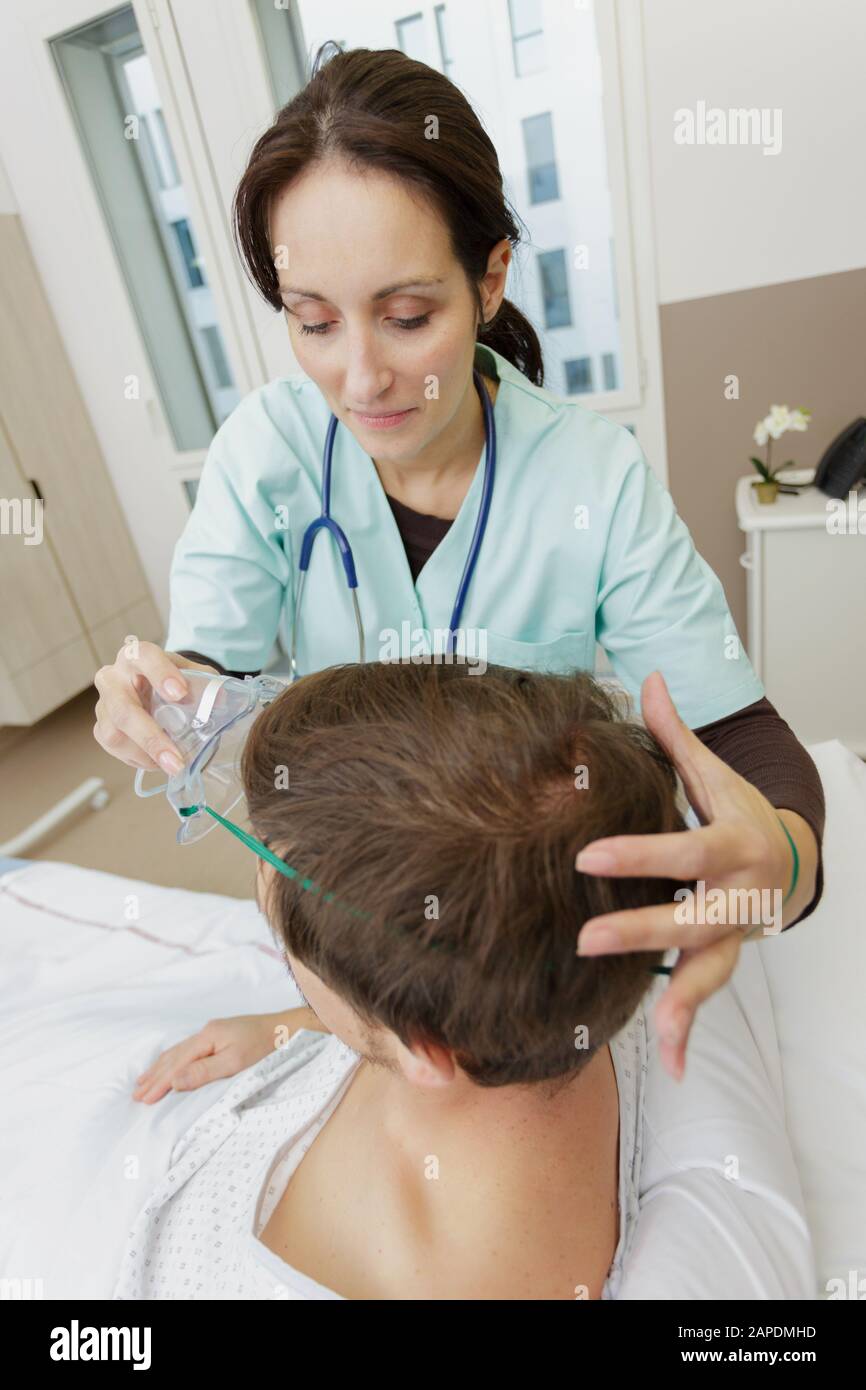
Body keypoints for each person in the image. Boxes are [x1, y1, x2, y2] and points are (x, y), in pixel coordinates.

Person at [96, 41, 825, 1080]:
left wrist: (781, 863)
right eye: (311, 323)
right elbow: (203, 683)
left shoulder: (590, 477)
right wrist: (159, 701)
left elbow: (744, 746)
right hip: (356, 920)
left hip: (521, 941)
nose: (357, 378)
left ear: (488, 279)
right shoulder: (266, 452)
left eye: (406, 317)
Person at [115, 661, 815, 1301]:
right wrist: (302, 1028)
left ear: (421, 1045)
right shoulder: (567, 971)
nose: (261, 884)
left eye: (278, 893)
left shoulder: (316, 1272)